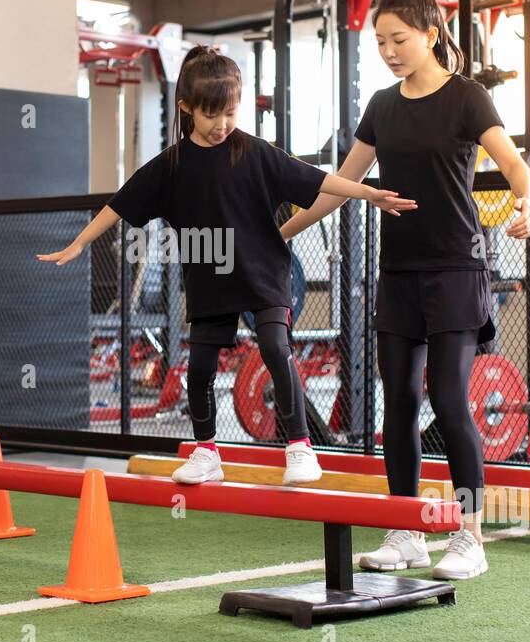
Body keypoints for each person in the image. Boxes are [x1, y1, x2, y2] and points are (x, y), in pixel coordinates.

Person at [39, 45, 411, 485]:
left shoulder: (254, 152)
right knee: (198, 367)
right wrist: (79, 242)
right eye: (211, 114)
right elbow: (120, 205)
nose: (222, 125)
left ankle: (299, 447)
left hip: (264, 271)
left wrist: (368, 193)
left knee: (275, 346)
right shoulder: (170, 166)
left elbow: (314, 178)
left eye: (230, 113)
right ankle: (206, 450)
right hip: (210, 277)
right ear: (186, 109)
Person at [283, 0, 530, 580]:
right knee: (397, 402)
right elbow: (339, 185)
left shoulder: (467, 98)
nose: (390, 50)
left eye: (399, 39)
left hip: (455, 269)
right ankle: (405, 531)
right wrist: (281, 233)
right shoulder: (381, 106)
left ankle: (469, 535)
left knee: (449, 399)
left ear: (429, 34)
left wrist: (526, 202)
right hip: (398, 273)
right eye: (380, 41)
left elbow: (512, 164)